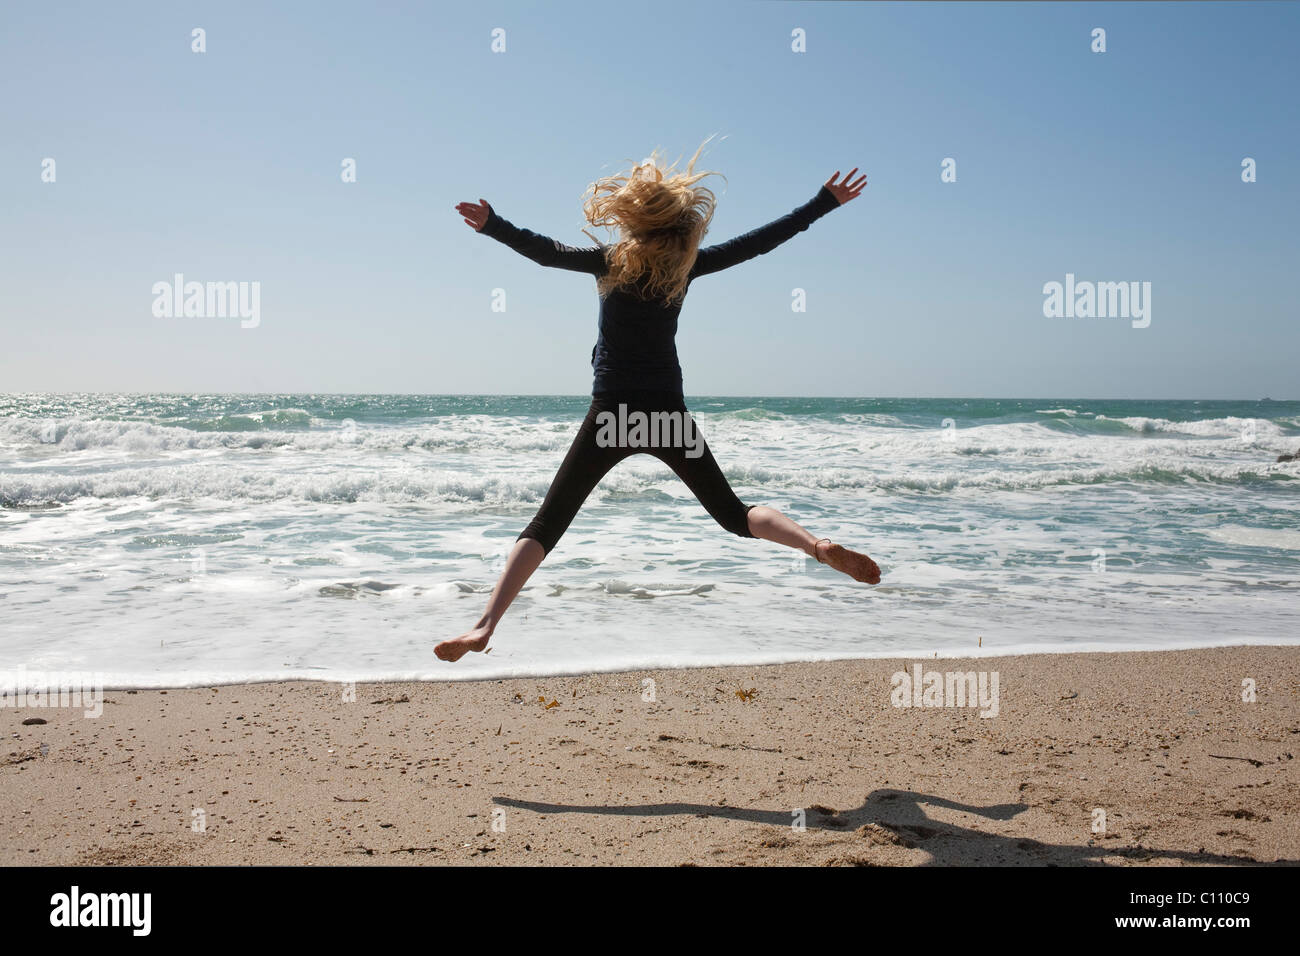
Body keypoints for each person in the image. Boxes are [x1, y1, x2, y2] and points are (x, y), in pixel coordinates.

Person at [437, 142, 881, 663]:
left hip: (612, 417)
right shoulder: (686, 267)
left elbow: (548, 252)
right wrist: (821, 203)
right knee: (734, 513)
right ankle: (814, 546)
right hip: (666, 414)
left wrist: (495, 225)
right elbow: (760, 243)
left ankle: (485, 625)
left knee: (545, 525)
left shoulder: (608, 263)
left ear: (635, 218)